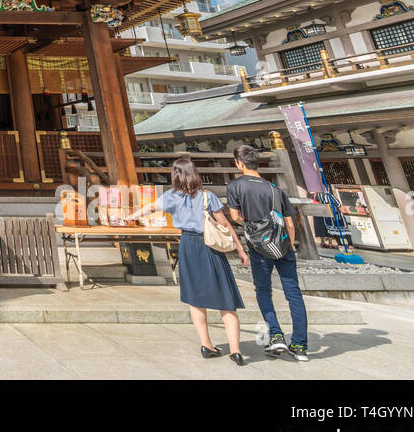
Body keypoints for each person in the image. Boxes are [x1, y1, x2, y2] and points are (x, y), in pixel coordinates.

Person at [126, 156, 250, 364]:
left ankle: (206, 344)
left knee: (195, 299)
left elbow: (150, 208)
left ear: (175, 176)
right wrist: (240, 249)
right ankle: (235, 350)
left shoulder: (172, 197)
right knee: (225, 297)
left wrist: (133, 216)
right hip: (210, 246)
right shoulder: (207, 196)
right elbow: (225, 224)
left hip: (189, 246)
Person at [227, 143, 309, 362]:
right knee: (293, 293)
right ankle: (300, 345)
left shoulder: (236, 186)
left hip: (259, 246)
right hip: (283, 246)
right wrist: (288, 245)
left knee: (263, 290)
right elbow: (290, 223)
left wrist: (251, 225)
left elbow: (234, 216)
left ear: (239, 163)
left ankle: (276, 335)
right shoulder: (274, 188)